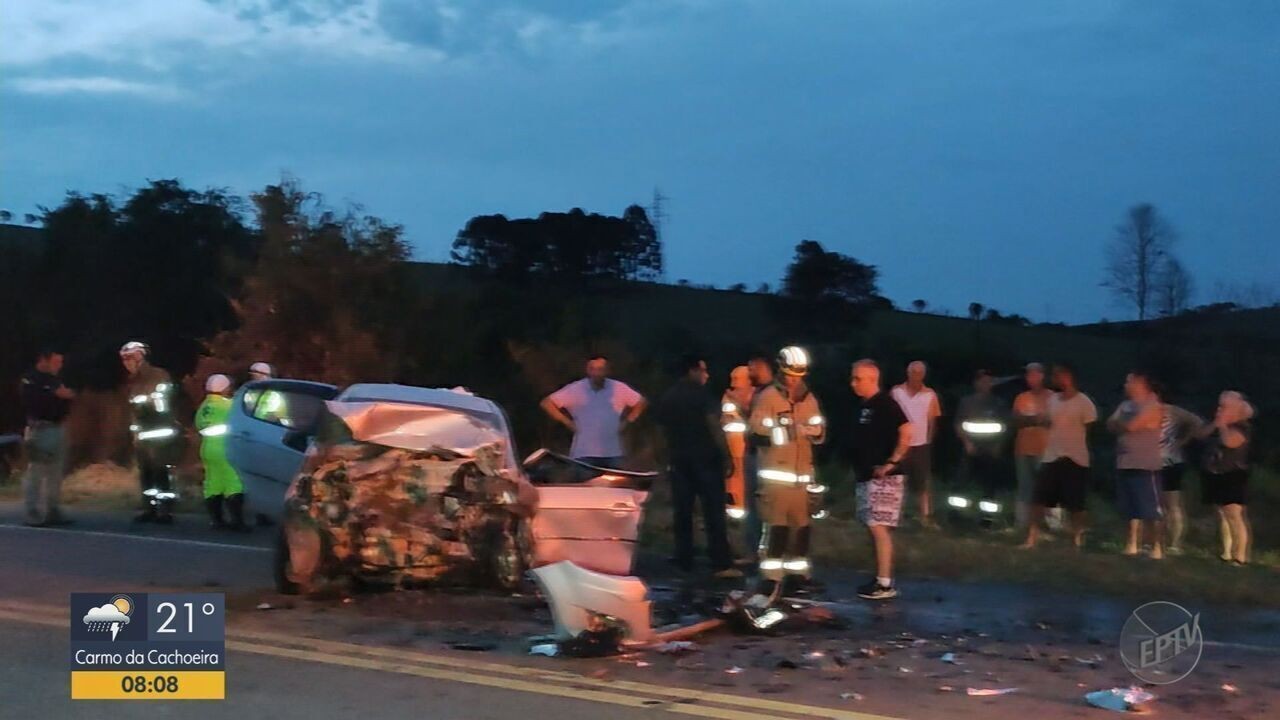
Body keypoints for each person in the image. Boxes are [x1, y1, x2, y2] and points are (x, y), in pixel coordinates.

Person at [749, 346, 825, 596]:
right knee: (776, 530)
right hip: (776, 479)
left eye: (798, 376)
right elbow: (757, 431)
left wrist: (813, 431)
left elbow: (819, 428)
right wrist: (788, 431)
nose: (794, 380)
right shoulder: (768, 397)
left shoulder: (808, 399)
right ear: (781, 371)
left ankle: (798, 575)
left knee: (801, 530)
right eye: (790, 375)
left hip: (801, 479)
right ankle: (771, 578)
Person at [655, 355, 740, 579]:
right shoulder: (702, 395)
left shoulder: (669, 396)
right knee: (713, 512)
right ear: (692, 371)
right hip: (706, 459)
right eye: (703, 370)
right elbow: (714, 425)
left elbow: (661, 431)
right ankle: (720, 561)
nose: (706, 375)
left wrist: (665, 458)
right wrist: (727, 456)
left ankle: (684, 559)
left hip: (679, 460)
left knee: (683, 512)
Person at [850, 360, 913, 600]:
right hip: (866, 475)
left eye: (858, 378)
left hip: (884, 477)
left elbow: (907, 430)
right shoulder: (864, 406)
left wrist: (892, 462)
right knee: (872, 525)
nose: (853, 383)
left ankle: (885, 583)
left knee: (879, 527)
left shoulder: (886, 403)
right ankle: (879, 577)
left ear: (872, 379)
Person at [1020, 363, 1096, 550]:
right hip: (1052, 456)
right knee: (1039, 499)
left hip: (1075, 458)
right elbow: (1047, 420)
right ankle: (1032, 538)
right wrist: (1035, 420)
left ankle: (1076, 540)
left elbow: (1090, 429)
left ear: (1067, 376)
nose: (1053, 379)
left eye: (1056, 375)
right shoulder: (1053, 400)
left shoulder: (1084, 402)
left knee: (1075, 504)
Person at [541, 355, 646, 469]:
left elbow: (641, 402)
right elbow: (547, 403)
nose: (596, 373)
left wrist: (628, 421)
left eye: (600, 369)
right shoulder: (577, 388)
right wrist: (567, 422)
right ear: (587, 370)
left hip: (613, 452)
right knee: (584, 479)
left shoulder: (618, 387)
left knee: (616, 479)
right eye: (593, 369)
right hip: (584, 452)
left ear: (607, 371)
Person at [121, 341, 181, 523]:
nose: (126, 363)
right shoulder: (133, 381)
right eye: (124, 359)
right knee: (146, 473)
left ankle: (165, 510)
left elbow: (161, 404)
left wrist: (144, 403)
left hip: (159, 432)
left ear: (140, 356)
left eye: (130, 358)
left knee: (160, 472)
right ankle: (150, 508)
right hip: (143, 435)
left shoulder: (158, 375)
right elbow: (133, 410)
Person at [1107, 371, 1166, 559]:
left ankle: (1156, 547)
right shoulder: (1125, 405)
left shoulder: (1153, 405)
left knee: (1151, 509)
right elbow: (1110, 424)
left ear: (1140, 383)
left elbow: (1131, 425)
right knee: (1130, 508)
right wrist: (1124, 423)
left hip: (1146, 464)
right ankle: (1132, 544)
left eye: (1129, 382)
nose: (1126, 385)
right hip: (1125, 462)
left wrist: (1123, 423)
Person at [20, 348, 75, 527]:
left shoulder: (54, 380)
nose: (59, 366)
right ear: (43, 360)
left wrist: (62, 395)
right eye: (56, 362)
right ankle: (32, 511)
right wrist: (55, 393)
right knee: (36, 472)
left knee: (55, 473)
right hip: (40, 430)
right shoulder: (31, 379)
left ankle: (53, 510)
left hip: (57, 428)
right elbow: (33, 401)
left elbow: (68, 396)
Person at [1200, 391, 1254, 566]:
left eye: (1223, 407)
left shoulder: (1242, 427)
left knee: (1235, 515)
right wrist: (1215, 424)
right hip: (1216, 474)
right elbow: (1201, 435)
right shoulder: (1219, 426)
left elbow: (1230, 442)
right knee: (1222, 514)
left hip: (1233, 475)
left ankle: (1241, 556)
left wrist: (1222, 426)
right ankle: (1226, 552)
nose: (1219, 410)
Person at [891, 361, 942, 529]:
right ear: (908, 373)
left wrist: (928, 441)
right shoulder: (896, 392)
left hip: (921, 444)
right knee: (899, 481)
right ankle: (896, 516)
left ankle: (925, 517)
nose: (916, 376)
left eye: (919, 373)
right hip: (900, 444)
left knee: (923, 482)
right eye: (913, 372)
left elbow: (932, 420)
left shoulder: (930, 395)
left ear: (924, 375)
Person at [1155, 387, 1205, 555]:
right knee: (1156, 504)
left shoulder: (1173, 411)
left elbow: (1196, 422)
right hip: (1150, 461)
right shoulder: (1143, 410)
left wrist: (1183, 440)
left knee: (1173, 503)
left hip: (1171, 461)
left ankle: (1175, 543)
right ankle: (1157, 541)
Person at [196, 374, 249, 532]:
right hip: (226, 448)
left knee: (213, 483)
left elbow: (198, 425)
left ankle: (216, 521)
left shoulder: (204, 406)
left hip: (207, 448)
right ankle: (237, 521)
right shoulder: (229, 406)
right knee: (233, 482)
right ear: (224, 388)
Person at [741, 353, 776, 562]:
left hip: (765, 457)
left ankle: (762, 552)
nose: (749, 373)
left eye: (752, 368)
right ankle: (754, 551)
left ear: (763, 367)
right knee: (753, 507)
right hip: (754, 454)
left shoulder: (771, 393)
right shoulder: (760, 393)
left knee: (763, 507)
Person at [955, 369, 1008, 501]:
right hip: (970, 448)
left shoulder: (998, 403)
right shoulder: (966, 402)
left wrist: (998, 445)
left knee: (989, 483)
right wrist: (967, 443)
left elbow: (1004, 426)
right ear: (976, 383)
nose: (986, 384)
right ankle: (957, 510)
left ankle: (987, 511)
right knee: (962, 481)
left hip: (990, 449)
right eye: (983, 381)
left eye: (989, 381)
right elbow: (958, 424)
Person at [1012, 363, 1053, 530]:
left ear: (1042, 376)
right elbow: (1016, 420)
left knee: (1047, 487)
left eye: (1034, 374)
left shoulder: (1052, 398)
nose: (1031, 378)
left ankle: (1050, 523)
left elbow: (1052, 420)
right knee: (1024, 487)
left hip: (1045, 449)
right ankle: (1022, 523)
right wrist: (1036, 419)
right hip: (1022, 449)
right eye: (1029, 375)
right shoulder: (1021, 398)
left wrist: (1029, 420)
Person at [720, 366, 753, 521]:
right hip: (733, 447)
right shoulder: (729, 397)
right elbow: (728, 420)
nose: (734, 383)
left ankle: (745, 508)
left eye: (737, 379)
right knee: (733, 480)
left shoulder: (757, 394)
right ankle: (734, 508)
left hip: (749, 447)